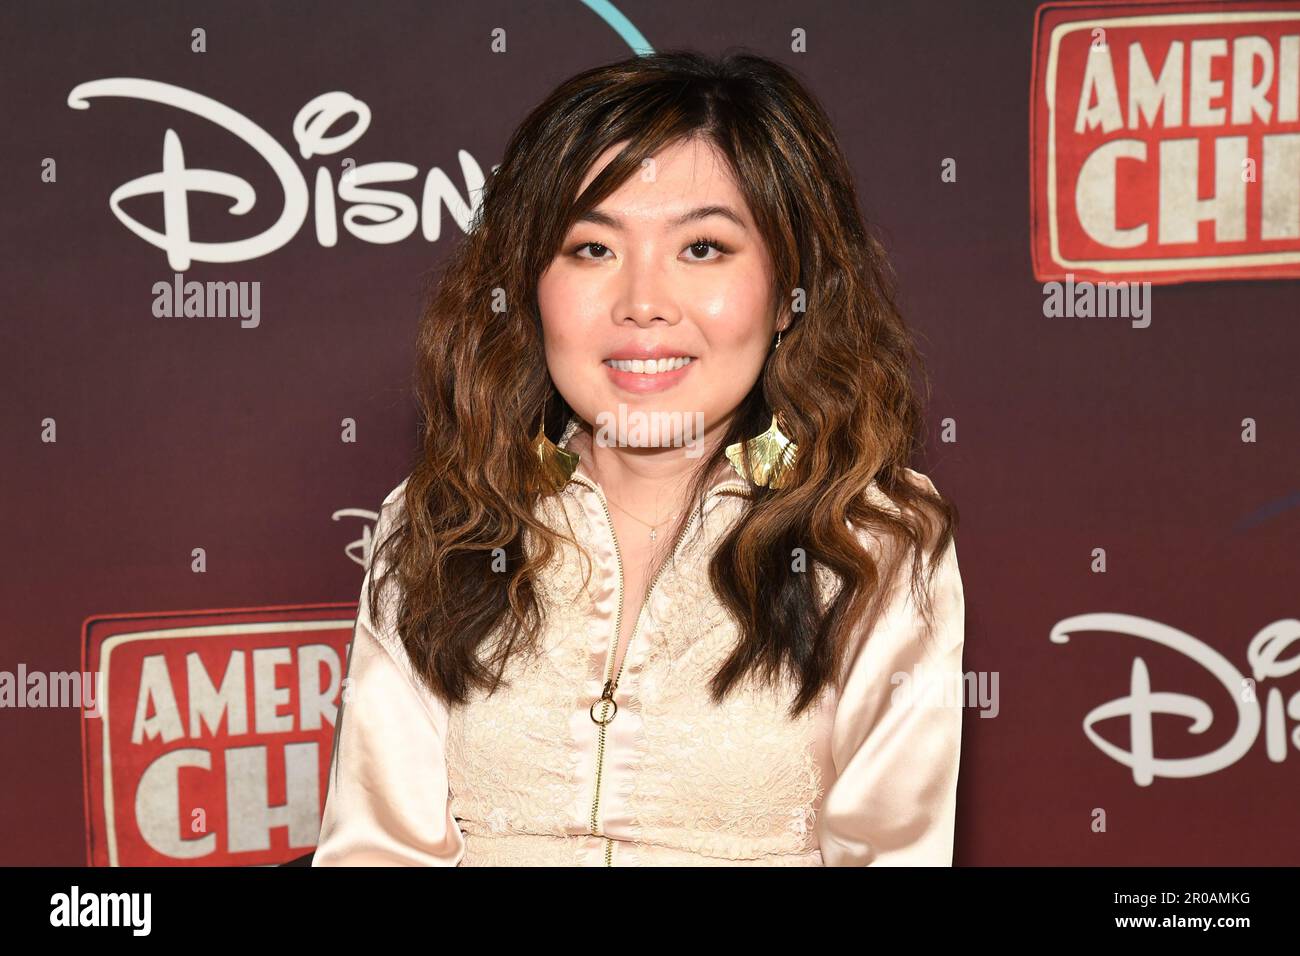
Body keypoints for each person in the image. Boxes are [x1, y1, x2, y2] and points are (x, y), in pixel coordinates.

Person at [313, 49, 965, 867]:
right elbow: (378, 853)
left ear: (788, 286)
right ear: (526, 283)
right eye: (592, 249)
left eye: (703, 248)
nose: (643, 305)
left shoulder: (874, 537)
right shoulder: (437, 521)